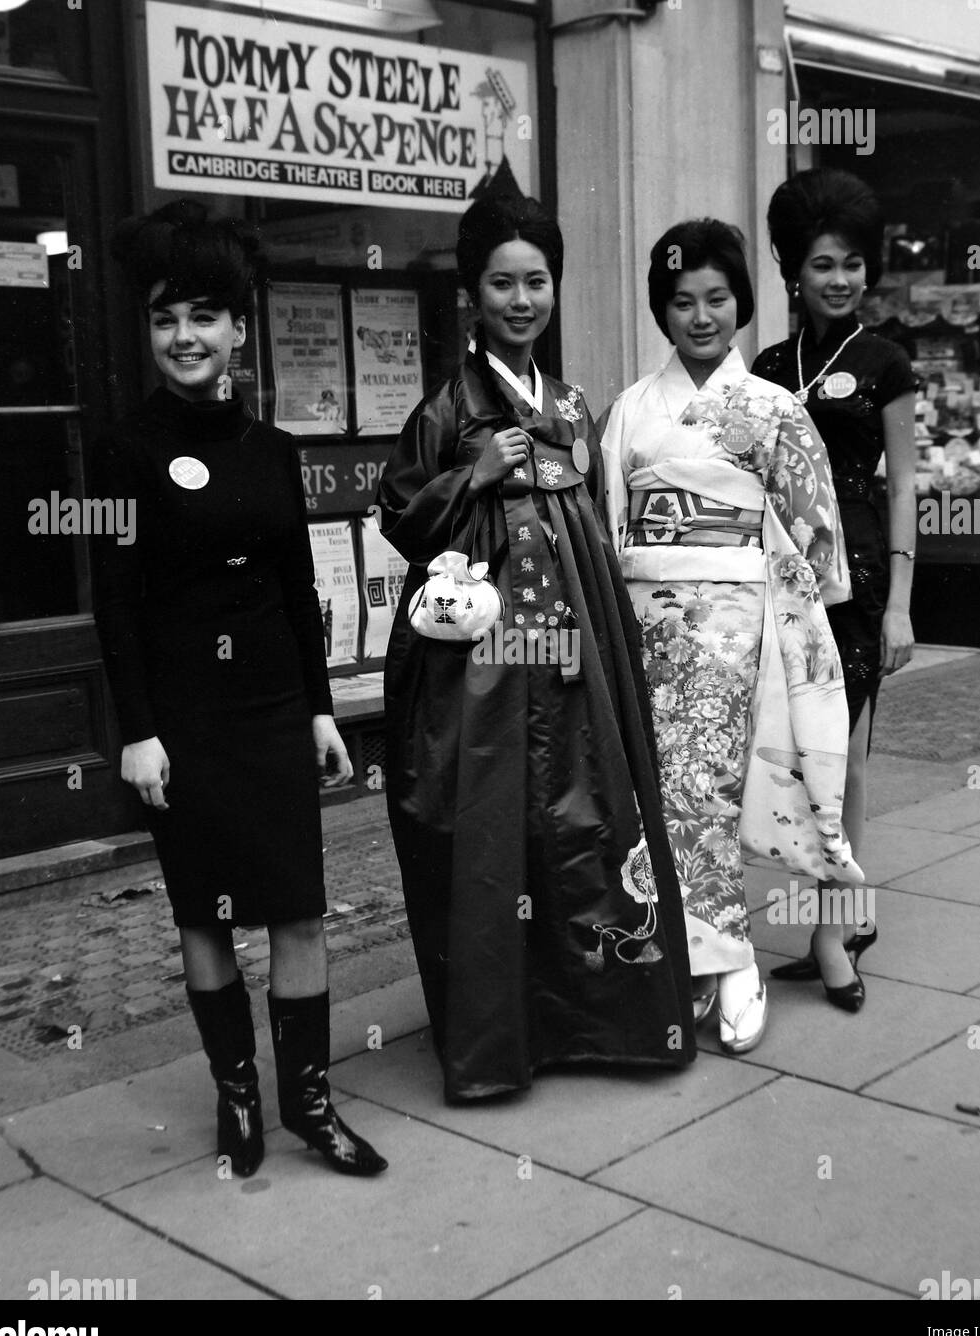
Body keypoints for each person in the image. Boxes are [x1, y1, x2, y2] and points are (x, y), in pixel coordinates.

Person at [377, 194, 695, 1102]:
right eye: (502, 283)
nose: (522, 300)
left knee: (590, 811)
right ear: (472, 296)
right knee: (490, 823)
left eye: (537, 281)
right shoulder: (447, 409)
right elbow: (400, 515)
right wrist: (469, 476)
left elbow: (588, 518)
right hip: (478, 662)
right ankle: (499, 1038)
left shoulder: (573, 404)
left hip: (575, 642)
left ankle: (596, 1016)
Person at [92, 200, 386, 1177]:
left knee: (297, 907)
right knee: (205, 917)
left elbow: (298, 591)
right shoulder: (119, 450)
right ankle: (238, 1097)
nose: (184, 336)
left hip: (267, 711)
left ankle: (309, 1102)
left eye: (204, 317)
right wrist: (137, 729)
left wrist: (317, 708)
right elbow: (114, 603)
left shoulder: (275, 451)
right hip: (180, 721)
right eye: (167, 318)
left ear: (238, 331)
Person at [599, 219, 863, 1047]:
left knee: (712, 789)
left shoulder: (775, 409)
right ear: (661, 310)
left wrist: (775, 611)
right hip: (650, 624)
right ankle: (708, 960)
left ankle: (727, 960)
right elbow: (609, 529)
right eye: (683, 302)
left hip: (745, 627)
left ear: (742, 303)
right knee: (664, 795)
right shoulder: (631, 411)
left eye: (717, 298)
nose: (701, 317)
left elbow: (816, 544)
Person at [753, 169, 918, 1010]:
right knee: (796, 763)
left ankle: (830, 934)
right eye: (823, 263)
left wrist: (900, 603)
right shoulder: (768, 366)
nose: (840, 278)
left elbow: (901, 488)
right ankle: (846, 914)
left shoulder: (888, 361)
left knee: (846, 764)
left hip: (857, 592)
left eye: (853, 262)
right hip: (785, 587)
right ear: (793, 270)